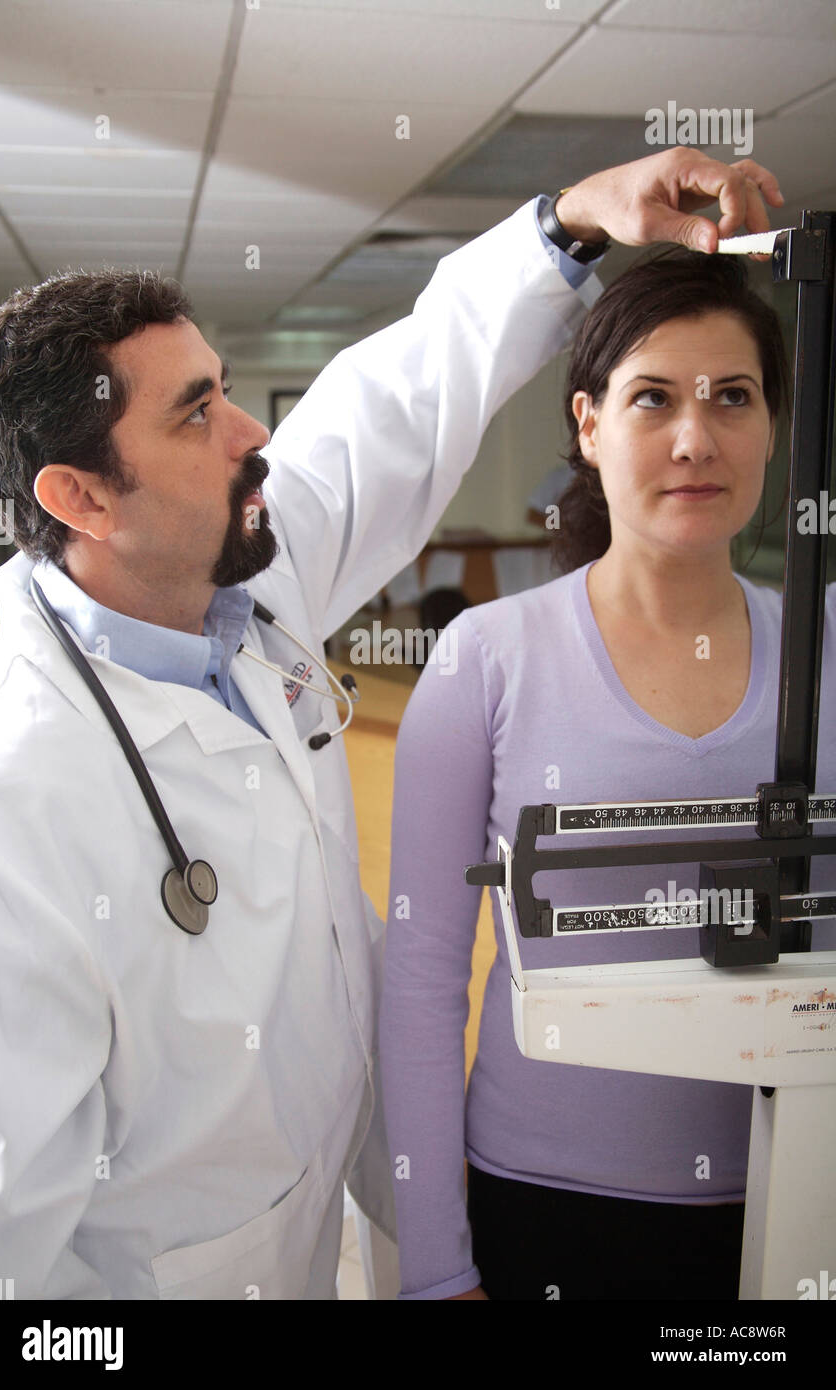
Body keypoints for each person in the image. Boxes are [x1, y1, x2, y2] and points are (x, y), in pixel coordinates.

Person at [0, 150, 785, 1300]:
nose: (252, 431)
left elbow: (396, 404)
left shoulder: (236, 582)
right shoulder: (2, 799)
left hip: (317, 1247)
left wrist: (567, 221)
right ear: (81, 498)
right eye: (196, 413)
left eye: (226, 385)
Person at [379, 238, 836, 1301]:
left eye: (733, 396)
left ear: (774, 424)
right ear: (587, 425)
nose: (695, 437)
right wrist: (439, 1269)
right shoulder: (485, 658)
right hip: (548, 1206)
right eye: (652, 398)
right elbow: (420, 981)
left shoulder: (826, 648)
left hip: (800, 1187)